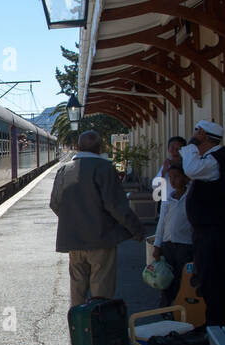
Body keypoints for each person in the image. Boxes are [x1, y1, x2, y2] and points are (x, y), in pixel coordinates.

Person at [50, 130, 145, 308]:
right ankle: (99, 331)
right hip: (102, 239)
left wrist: (73, 220)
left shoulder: (64, 170)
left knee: (77, 291)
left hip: (74, 241)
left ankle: (78, 331)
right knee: (101, 292)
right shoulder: (105, 168)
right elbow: (116, 206)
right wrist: (136, 230)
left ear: (78, 147)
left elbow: (55, 203)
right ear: (99, 148)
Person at [180, 119, 225, 326]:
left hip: (212, 230)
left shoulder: (212, 161)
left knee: (213, 276)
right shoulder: (214, 159)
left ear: (204, 136)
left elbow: (190, 169)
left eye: (197, 131)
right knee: (210, 275)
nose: (194, 133)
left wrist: (189, 147)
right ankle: (216, 319)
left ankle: (219, 322)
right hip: (209, 227)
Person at [150, 163, 192, 308]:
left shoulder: (191, 197)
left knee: (183, 278)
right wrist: (157, 245)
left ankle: (182, 306)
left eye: (177, 177)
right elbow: (161, 223)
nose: (173, 181)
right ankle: (165, 307)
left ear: (186, 178)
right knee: (167, 278)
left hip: (185, 244)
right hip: (168, 244)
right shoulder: (168, 199)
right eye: (170, 177)